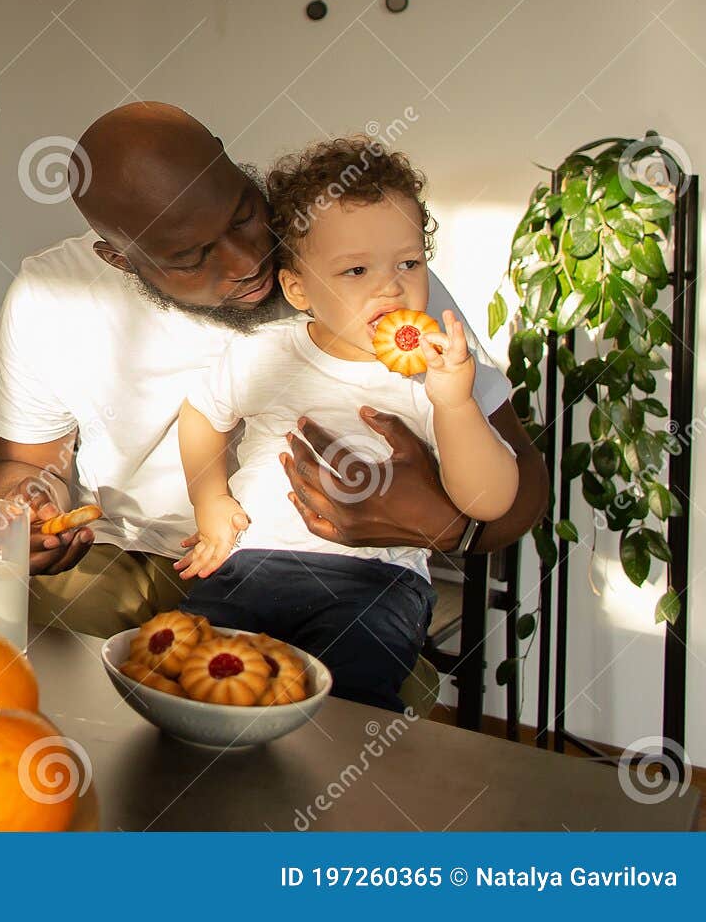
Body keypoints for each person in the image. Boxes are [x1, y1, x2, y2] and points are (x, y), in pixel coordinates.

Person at [0, 103, 547, 708]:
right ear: (120, 260)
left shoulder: (351, 262)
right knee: (45, 680)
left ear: (236, 165)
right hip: (123, 550)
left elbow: (525, 489)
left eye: (243, 215)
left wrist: (442, 525)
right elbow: (22, 464)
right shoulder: (50, 295)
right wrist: (33, 509)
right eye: (192, 257)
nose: (246, 260)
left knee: (344, 711)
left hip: (339, 566)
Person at [174, 138, 520, 710]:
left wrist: (455, 404)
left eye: (408, 263)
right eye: (356, 269)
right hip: (252, 564)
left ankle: (333, 792)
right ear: (298, 289)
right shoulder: (264, 354)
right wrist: (209, 498)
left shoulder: (440, 373)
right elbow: (202, 415)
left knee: (346, 691)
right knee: (188, 667)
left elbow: (490, 500)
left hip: (374, 583)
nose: (391, 286)